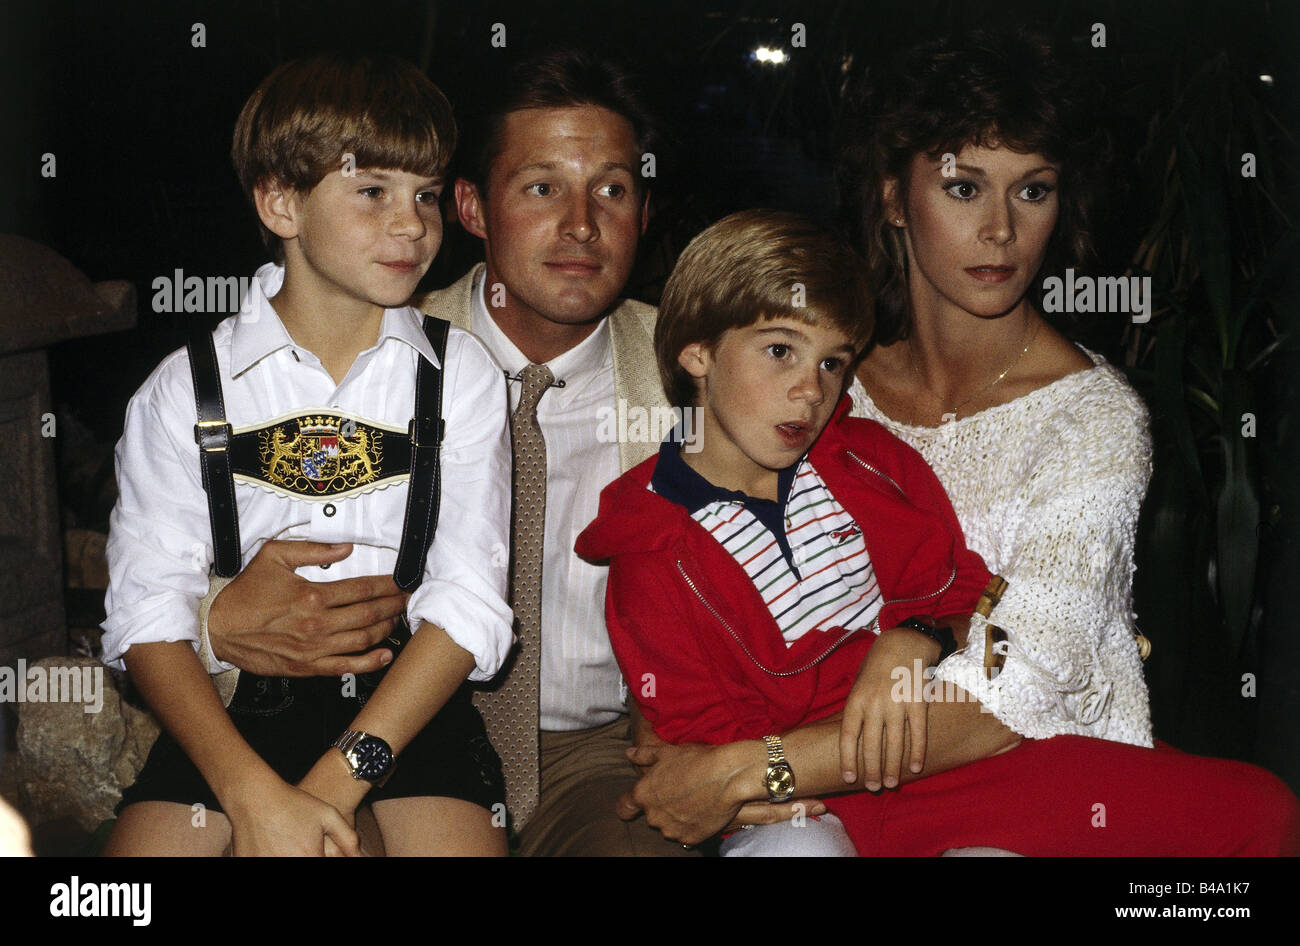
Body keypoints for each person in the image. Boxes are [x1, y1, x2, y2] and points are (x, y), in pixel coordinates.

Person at [615, 27, 1300, 855]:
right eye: (964, 187)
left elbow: (1016, 690)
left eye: (1034, 191)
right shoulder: (828, 385)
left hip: (1034, 768)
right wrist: (682, 727)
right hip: (842, 782)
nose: (1003, 231)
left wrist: (742, 769)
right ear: (896, 200)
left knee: (1257, 816)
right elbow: (698, 559)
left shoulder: (1092, 419)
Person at [195, 50, 700, 856]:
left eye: (613, 189)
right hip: (376, 737)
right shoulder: (365, 351)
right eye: (542, 188)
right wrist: (215, 621)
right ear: (471, 206)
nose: (581, 224)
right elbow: (173, 561)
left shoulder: (693, 374)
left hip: (598, 755)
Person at [101, 53, 513, 856]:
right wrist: (250, 794)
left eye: (426, 194)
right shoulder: (187, 390)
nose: (413, 224)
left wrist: (334, 783)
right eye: (373, 193)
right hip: (230, 711)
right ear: (281, 203)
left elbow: (467, 601)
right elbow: (148, 612)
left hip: (404, 705)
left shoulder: (458, 374)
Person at [576, 210, 1000, 856]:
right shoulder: (650, 550)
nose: (810, 391)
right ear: (698, 351)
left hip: (938, 748)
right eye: (780, 351)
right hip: (797, 801)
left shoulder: (866, 460)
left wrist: (917, 637)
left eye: (833, 363)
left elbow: (970, 594)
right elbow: (705, 744)